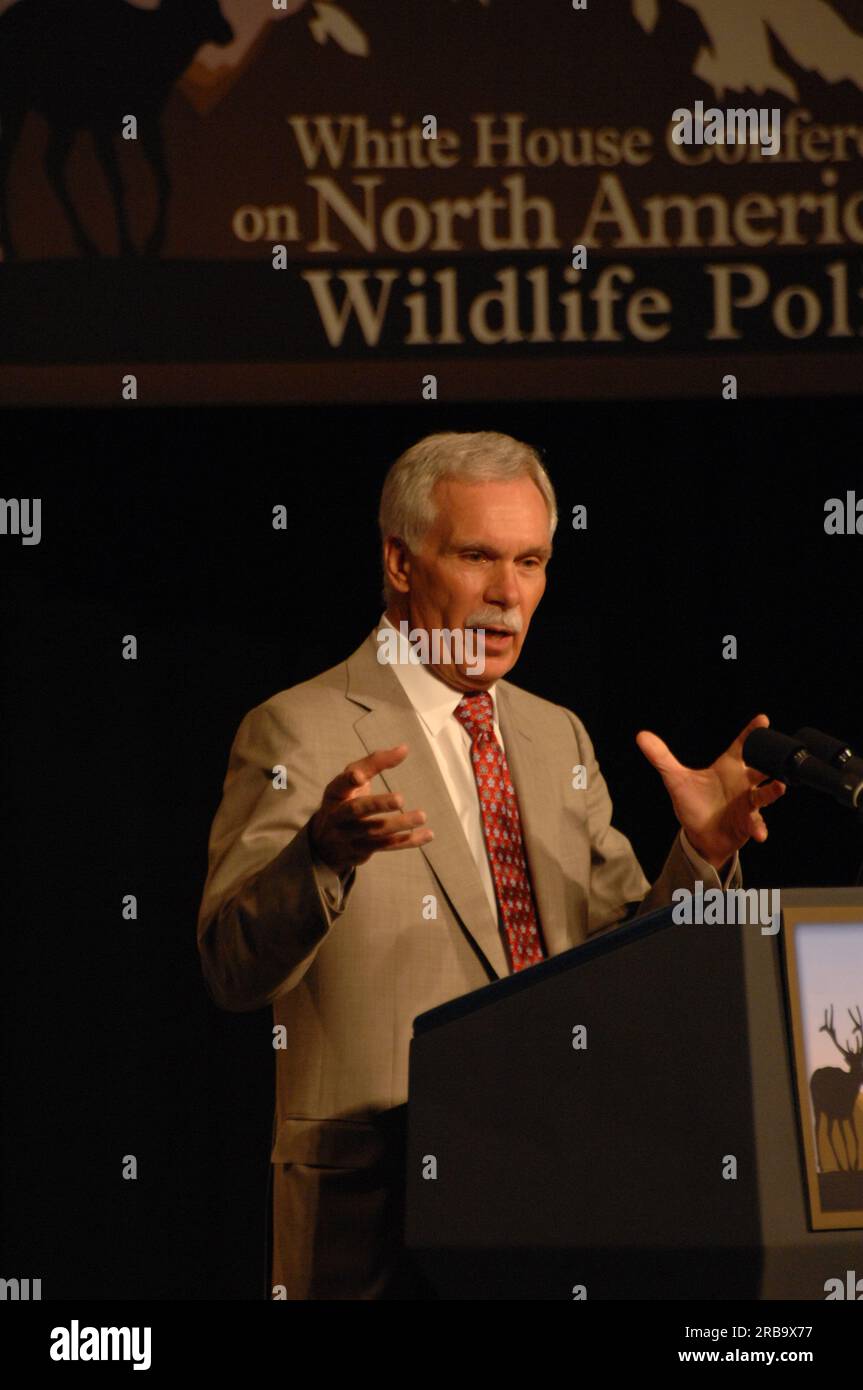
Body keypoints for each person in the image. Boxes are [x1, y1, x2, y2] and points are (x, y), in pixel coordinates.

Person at [196, 430, 784, 1300]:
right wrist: (321, 856)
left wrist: (701, 853)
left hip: (557, 1197)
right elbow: (230, 968)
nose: (507, 596)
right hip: (378, 1222)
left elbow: (629, 965)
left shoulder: (557, 735)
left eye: (532, 561)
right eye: (476, 557)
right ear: (399, 562)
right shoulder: (299, 728)